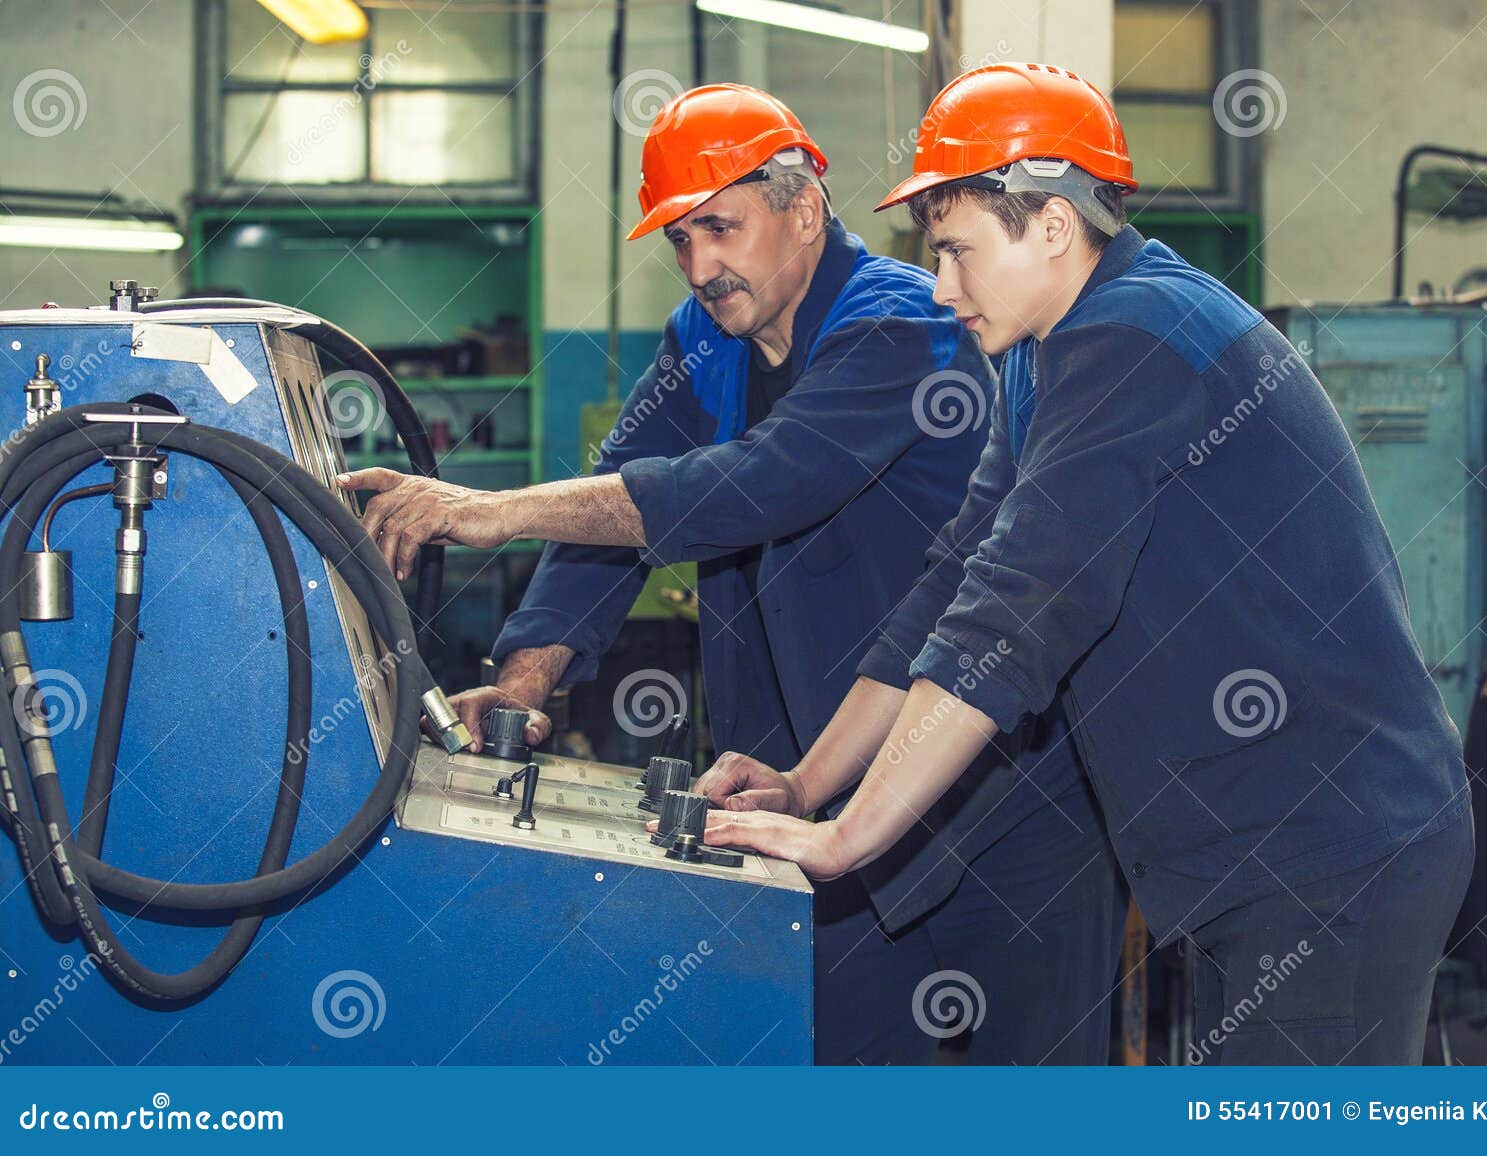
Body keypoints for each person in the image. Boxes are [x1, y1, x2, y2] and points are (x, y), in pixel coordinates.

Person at [692, 62, 1475, 1065]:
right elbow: (956, 580)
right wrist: (808, 785)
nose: (942, 287)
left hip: (1330, 849)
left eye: (958, 252)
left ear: (1053, 227)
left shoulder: (1134, 338)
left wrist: (850, 841)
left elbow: (1015, 617)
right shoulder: (1043, 353)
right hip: (1260, 846)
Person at [338, 82, 1125, 1065]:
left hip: (992, 792)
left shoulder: (898, 327)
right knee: (832, 1061)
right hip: (801, 787)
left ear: (802, 209)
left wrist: (486, 511)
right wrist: (528, 678)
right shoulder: (703, 343)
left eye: (720, 226)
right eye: (679, 239)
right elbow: (613, 503)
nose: (700, 266)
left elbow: (757, 485)